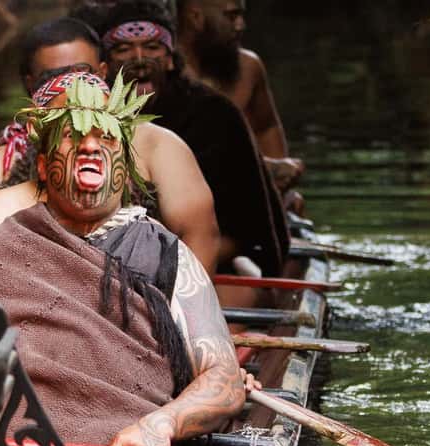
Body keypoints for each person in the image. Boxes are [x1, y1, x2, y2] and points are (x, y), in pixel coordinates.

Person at [0, 72, 245, 446]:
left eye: (107, 138)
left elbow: (225, 379)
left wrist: (162, 423)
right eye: (72, 137)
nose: (90, 145)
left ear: (126, 171)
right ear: (43, 167)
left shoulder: (166, 257)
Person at [0, 16, 219, 275]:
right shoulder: (6, 160)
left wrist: (176, 311)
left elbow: (200, 238)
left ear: (103, 73)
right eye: (52, 78)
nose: (70, 87)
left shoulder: (157, 145)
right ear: (31, 87)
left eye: (81, 72)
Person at [95, 0, 289, 277]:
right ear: (104, 67)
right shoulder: (88, 120)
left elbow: (247, 226)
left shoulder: (214, 114)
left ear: (171, 57)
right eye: (123, 49)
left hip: (206, 262)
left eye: (152, 47)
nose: (139, 61)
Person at [176, 0, 305, 196]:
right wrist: (265, 168)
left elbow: (266, 127)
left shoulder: (249, 67)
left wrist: (280, 192)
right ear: (196, 18)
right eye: (231, 16)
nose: (240, 25)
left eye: (241, 15)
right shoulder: (166, 75)